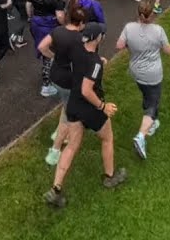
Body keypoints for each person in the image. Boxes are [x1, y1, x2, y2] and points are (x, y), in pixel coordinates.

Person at [43, 21, 127, 208]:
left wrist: (99, 62)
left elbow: (82, 66)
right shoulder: (94, 62)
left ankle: (55, 189)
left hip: (72, 105)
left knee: (72, 146)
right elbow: (86, 90)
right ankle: (110, 177)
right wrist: (103, 106)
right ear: (97, 38)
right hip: (89, 107)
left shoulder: (77, 50)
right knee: (107, 138)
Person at [117, 1, 170, 160]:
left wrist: (131, 46)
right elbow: (168, 51)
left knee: (148, 96)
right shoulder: (158, 30)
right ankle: (141, 135)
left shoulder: (129, 28)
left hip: (136, 72)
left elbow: (119, 45)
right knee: (153, 104)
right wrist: (158, 46)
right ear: (151, 14)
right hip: (153, 74)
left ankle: (153, 123)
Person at [37, 2, 88, 166]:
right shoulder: (80, 40)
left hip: (55, 76)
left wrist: (53, 56)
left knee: (65, 106)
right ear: (81, 23)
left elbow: (42, 46)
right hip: (68, 81)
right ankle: (55, 150)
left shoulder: (58, 31)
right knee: (69, 115)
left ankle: (58, 132)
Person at [27, 0, 66, 97]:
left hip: (35, 24)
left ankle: (49, 75)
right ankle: (46, 85)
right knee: (48, 53)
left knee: (44, 50)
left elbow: (28, 5)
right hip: (49, 26)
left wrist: (30, 17)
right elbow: (60, 15)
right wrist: (63, 24)